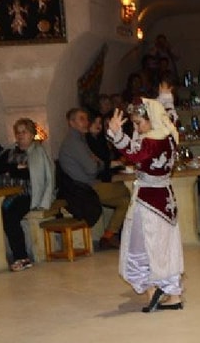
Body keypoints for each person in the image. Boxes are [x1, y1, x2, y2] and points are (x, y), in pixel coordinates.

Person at [105, 87, 185, 312]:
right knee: (165, 248)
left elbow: (135, 152)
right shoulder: (168, 134)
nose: (137, 128)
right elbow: (170, 115)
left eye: (139, 123)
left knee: (141, 248)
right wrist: (165, 98)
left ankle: (153, 290)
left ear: (151, 119)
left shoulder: (151, 142)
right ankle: (174, 296)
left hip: (149, 204)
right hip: (166, 201)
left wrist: (116, 135)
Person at [56, 108, 131, 247]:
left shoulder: (80, 140)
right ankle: (118, 235)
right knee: (126, 190)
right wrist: (97, 162)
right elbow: (92, 169)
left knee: (125, 201)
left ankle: (108, 235)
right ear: (71, 123)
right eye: (81, 119)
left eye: (86, 119)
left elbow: (98, 162)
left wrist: (97, 162)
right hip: (85, 189)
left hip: (89, 185)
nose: (86, 122)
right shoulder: (74, 142)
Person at [0, 118, 56, 271]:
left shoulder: (38, 152)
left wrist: (12, 170)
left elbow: (32, 175)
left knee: (11, 216)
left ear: (32, 134)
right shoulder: (9, 151)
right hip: (9, 194)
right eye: (18, 132)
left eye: (24, 132)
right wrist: (15, 168)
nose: (20, 136)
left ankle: (22, 256)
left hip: (30, 194)